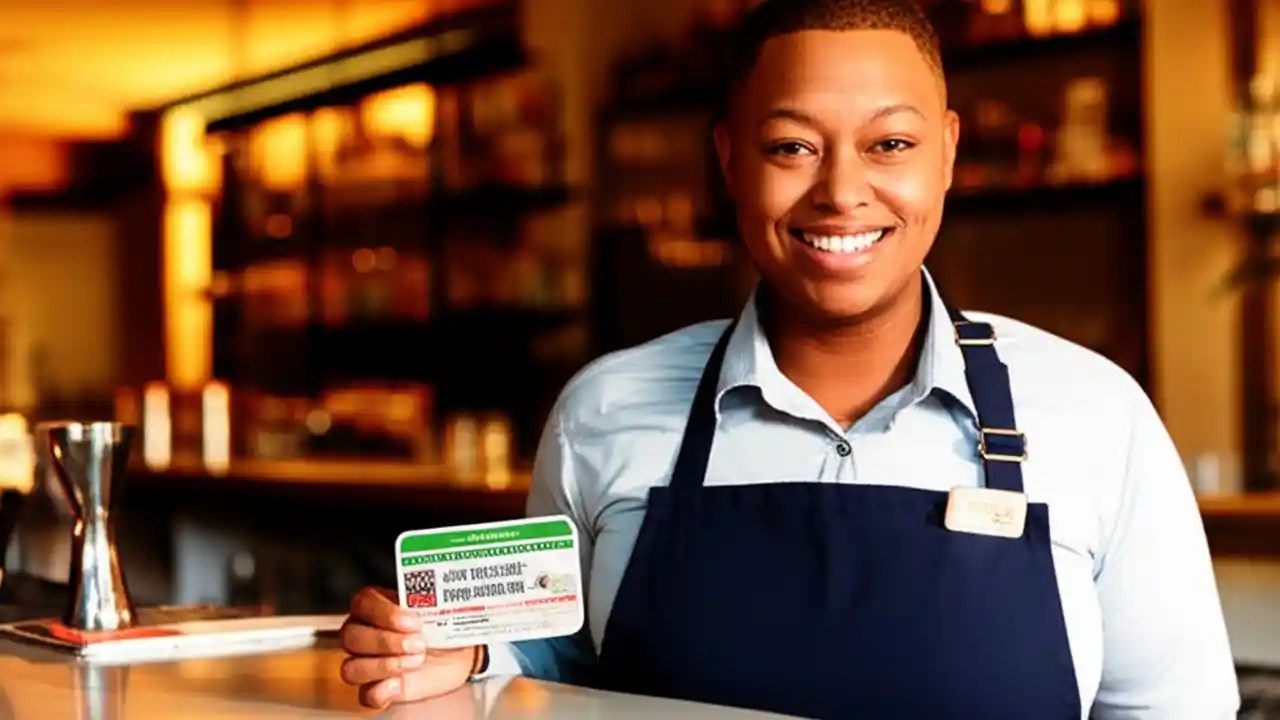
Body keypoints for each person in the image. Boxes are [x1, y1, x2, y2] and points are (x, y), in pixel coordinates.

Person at [337, 0, 1241, 717]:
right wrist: (460, 655)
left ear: (949, 156)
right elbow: (554, 659)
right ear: (729, 160)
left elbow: (1175, 712)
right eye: (791, 147)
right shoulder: (601, 412)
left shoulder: (1096, 414)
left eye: (890, 143)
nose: (843, 191)